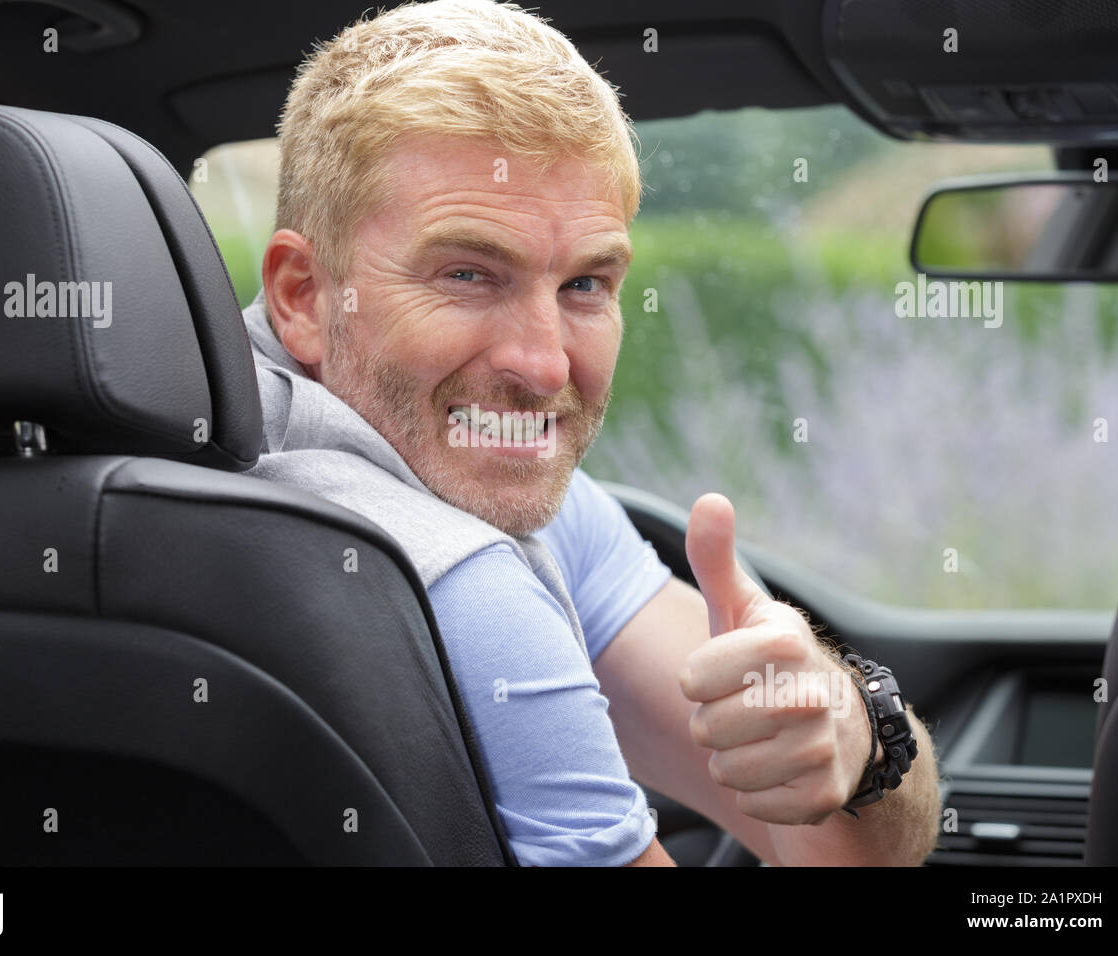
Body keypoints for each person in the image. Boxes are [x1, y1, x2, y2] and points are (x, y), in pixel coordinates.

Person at [245, 0, 940, 866]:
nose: (544, 366)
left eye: (585, 285)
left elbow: (842, 853)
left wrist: (854, 733)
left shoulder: (496, 486)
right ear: (304, 295)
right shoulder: (462, 572)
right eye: (468, 273)